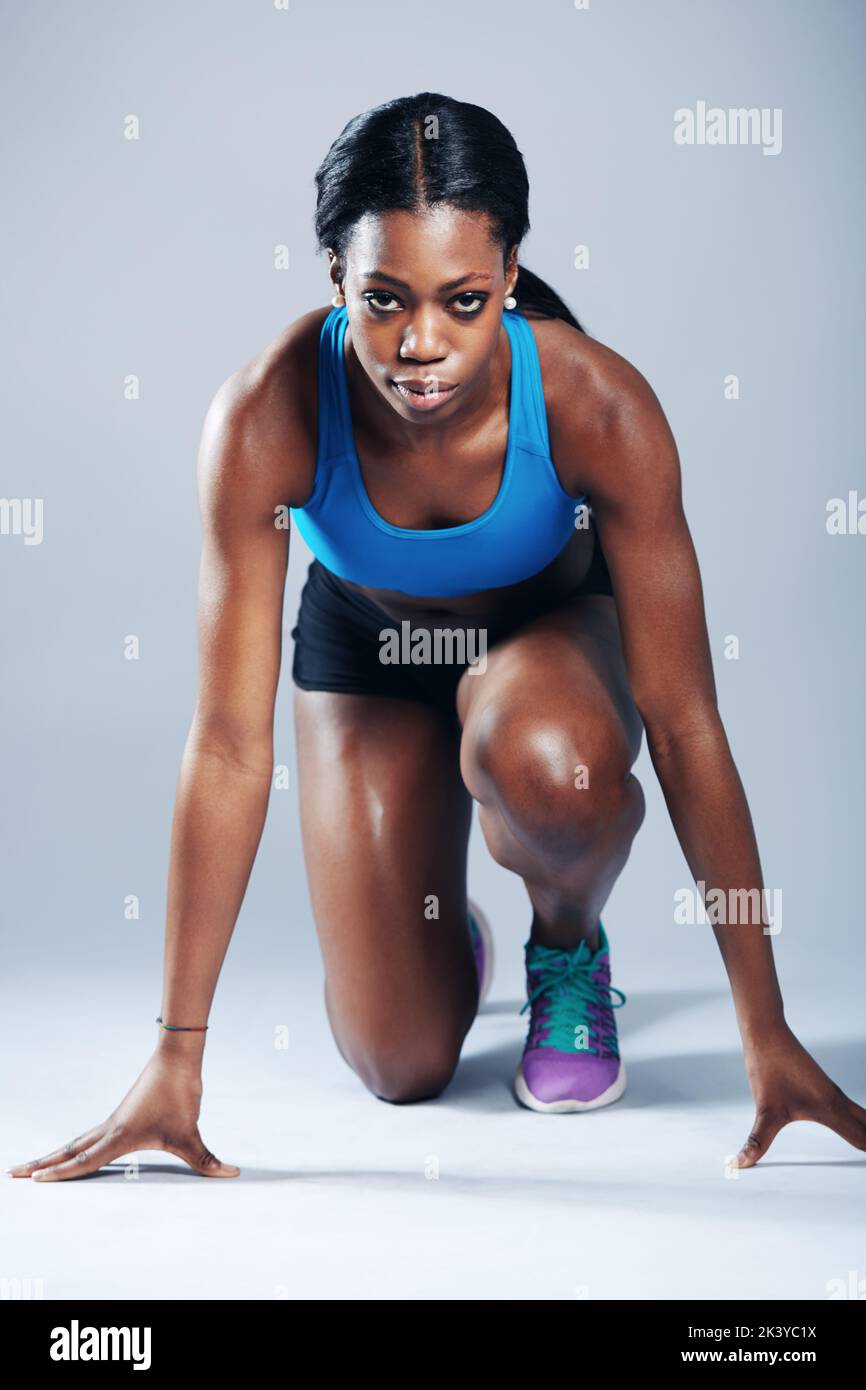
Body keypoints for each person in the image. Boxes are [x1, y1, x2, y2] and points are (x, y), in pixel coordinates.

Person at [10, 92, 865, 1183]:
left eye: (463, 301)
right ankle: (433, 925)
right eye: (382, 301)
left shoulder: (599, 406)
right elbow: (226, 744)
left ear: (509, 275)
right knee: (396, 1059)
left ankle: (564, 942)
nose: (420, 347)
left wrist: (767, 1030)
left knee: (553, 772)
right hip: (370, 653)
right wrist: (176, 1058)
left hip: (542, 636)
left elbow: (686, 725)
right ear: (334, 280)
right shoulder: (265, 414)